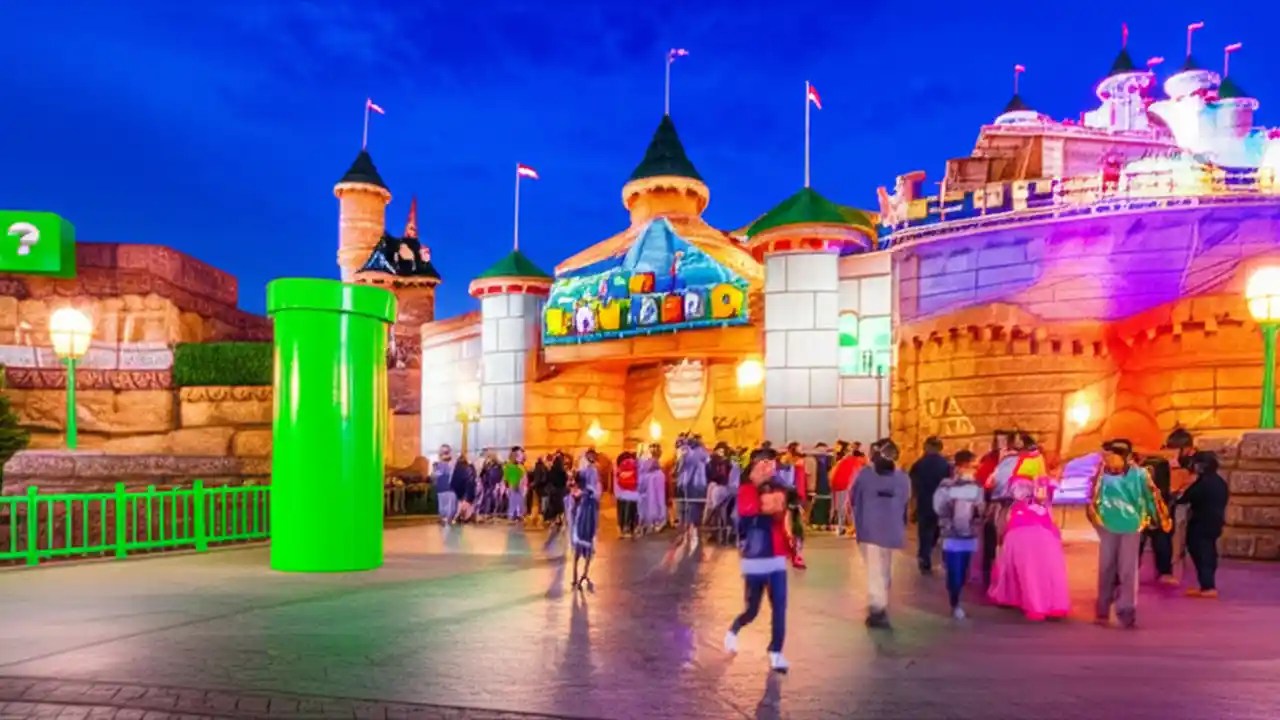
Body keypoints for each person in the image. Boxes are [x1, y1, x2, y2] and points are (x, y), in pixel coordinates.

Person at [1088, 439, 1171, 628]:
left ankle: (1126, 610)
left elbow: (1152, 496)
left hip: (1131, 525)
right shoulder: (1101, 473)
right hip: (1108, 524)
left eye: (1110, 454)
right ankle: (1102, 609)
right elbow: (1092, 497)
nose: (1106, 458)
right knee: (1106, 566)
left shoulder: (1140, 474)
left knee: (1127, 569)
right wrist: (1095, 519)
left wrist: (1159, 519)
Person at [985, 439, 1070, 622]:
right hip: (1043, 527)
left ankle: (1033, 603)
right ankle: (1050, 603)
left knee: (1026, 567)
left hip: (1022, 526)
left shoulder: (1019, 479)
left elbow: (1002, 490)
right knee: (1046, 567)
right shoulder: (1047, 481)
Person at [723, 447, 791, 673]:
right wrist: (767, 496)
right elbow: (748, 510)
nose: (769, 466)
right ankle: (734, 628)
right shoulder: (745, 489)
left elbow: (790, 508)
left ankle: (776, 651)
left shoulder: (780, 485)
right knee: (752, 610)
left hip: (777, 555)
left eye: (772, 462)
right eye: (764, 462)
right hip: (755, 556)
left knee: (779, 606)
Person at [853, 439, 910, 629]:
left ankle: (878, 609)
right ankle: (880, 604)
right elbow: (905, 500)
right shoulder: (902, 478)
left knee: (875, 571)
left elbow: (854, 498)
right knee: (885, 570)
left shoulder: (865, 476)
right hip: (893, 531)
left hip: (869, 530)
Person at [932, 450, 985, 619]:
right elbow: (939, 506)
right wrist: (949, 518)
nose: (975, 469)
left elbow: (981, 508)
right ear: (961, 466)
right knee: (954, 570)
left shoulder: (977, 486)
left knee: (962, 570)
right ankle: (954, 601)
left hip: (969, 534)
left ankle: (956, 600)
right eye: (972, 465)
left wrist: (977, 515)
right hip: (951, 533)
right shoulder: (947, 485)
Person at [1178, 451, 1229, 598]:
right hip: (1215, 522)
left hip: (1201, 522)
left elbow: (1186, 497)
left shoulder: (1203, 483)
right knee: (1208, 552)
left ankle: (1207, 586)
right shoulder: (1219, 482)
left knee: (1201, 552)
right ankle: (1206, 584)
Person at [976, 431, 1015, 588]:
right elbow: (983, 480)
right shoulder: (990, 459)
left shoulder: (1015, 460)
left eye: (1004, 441)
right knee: (990, 539)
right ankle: (988, 572)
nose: (1001, 445)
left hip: (1010, 506)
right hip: (993, 504)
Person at [910, 436, 950, 574]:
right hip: (940, 503)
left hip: (924, 501)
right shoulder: (945, 464)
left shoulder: (919, 464)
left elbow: (913, 483)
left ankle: (924, 555)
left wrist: (913, 503)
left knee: (924, 531)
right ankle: (927, 553)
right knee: (936, 530)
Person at [675, 435, 709, 551]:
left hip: (691, 487)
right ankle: (692, 536)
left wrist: (683, 446)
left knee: (690, 513)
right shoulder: (702, 453)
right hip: (697, 487)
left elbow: (683, 465)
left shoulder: (692, 453)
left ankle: (690, 537)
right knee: (693, 512)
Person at [569, 476, 600, 591]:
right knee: (588, 553)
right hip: (590, 528)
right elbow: (596, 511)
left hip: (579, 528)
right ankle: (584, 573)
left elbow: (573, 511)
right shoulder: (592, 495)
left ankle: (575, 577)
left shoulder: (578, 495)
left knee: (576, 555)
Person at [831, 441, 864, 536]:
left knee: (847, 508)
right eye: (849, 449)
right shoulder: (843, 461)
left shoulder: (852, 461)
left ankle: (852, 528)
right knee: (843, 508)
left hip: (846, 487)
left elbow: (856, 474)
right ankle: (844, 527)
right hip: (842, 486)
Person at [638, 444, 667, 533]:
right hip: (653, 482)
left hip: (648, 485)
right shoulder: (657, 470)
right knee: (658, 501)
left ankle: (649, 522)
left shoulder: (643, 464)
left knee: (650, 503)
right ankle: (657, 521)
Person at [615, 449, 640, 538]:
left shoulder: (619, 467)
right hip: (632, 492)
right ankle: (631, 528)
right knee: (632, 511)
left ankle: (622, 529)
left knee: (621, 510)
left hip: (621, 492)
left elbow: (617, 480)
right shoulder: (635, 465)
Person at [809, 442, 834, 529]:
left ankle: (824, 522)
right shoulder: (813, 460)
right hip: (816, 484)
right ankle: (816, 522)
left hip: (826, 484)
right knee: (817, 503)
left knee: (825, 503)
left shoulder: (829, 460)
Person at [433, 444, 458, 525]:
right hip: (441, 489)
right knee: (442, 508)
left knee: (451, 508)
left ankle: (449, 520)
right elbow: (435, 477)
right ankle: (444, 520)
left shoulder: (453, 464)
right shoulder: (437, 465)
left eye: (446, 452)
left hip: (451, 489)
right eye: (442, 452)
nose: (444, 454)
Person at [450, 452, 478, 523]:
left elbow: (453, 482)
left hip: (460, 493)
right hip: (466, 493)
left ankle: (460, 517)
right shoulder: (469, 468)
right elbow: (471, 482)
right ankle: (463, 517)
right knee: (464, 506)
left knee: (462, 506)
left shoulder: (457, 468)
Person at [503, 447, 527, 523]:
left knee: (515, 501)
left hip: (515, 485)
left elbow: (506, 477)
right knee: (515, 501)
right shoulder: (516, 467)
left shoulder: (512, 466)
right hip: (515, 485)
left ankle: (515, 515)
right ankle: (515, 515)